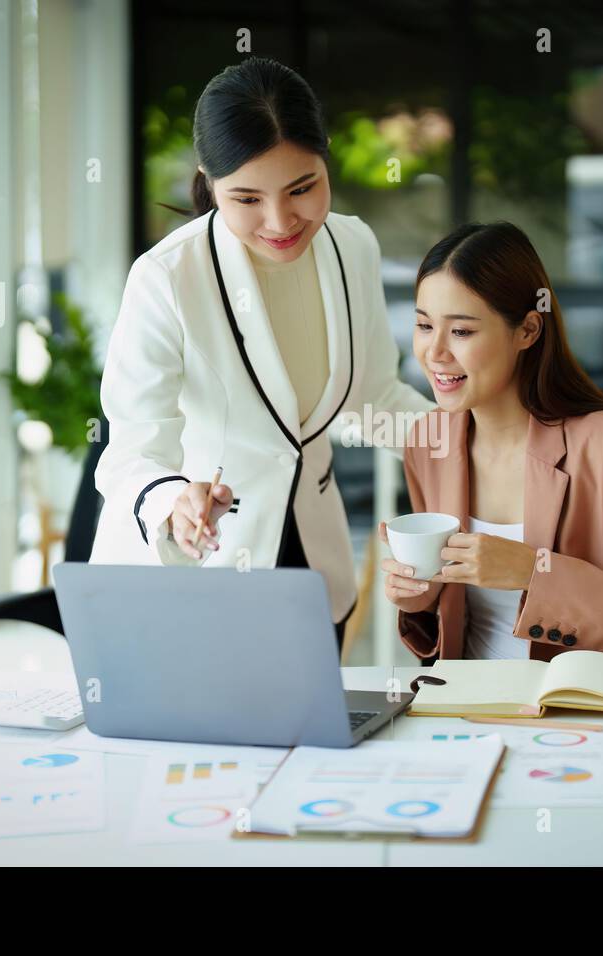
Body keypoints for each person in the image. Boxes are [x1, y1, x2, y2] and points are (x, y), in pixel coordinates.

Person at [90, 57, 434, 649]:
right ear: (209, 181)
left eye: (303, 188)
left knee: (313, 737)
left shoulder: (353, 245)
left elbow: (371, 398)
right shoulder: (166, 278)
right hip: (199, 571)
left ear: (325, 159)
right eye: (247, 199)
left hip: (311, 565)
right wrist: (176, 503)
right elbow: (130, 454)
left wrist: (478, 439)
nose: (281, 222)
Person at [379, 221, 603, 662]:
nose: (434, 353)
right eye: (424, 326)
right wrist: (420, 599)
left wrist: (534, 573)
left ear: (528, 330)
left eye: (462, 331)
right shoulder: (428, 442)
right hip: (464, 712)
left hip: (585, 717)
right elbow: (451, 624)